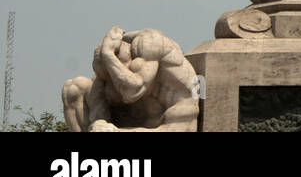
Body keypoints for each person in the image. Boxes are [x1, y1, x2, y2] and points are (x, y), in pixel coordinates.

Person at [62, 27, 199, 132]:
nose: (109, 82)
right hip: (134, 121)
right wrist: (100, 123)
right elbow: (97, 109)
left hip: (175, 123)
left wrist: (108, 54)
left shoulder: (151, 44)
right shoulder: (107, 71)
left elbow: (133, 91)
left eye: (111, 76)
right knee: (74, 88)